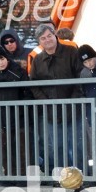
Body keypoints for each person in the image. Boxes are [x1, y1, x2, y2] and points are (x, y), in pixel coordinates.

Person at [29, 23, 85, 171]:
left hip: (74, 109)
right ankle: (62, 176)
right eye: (43, 38)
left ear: (55, 35)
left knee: (78, 144)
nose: (47, 40)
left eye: (49, 36)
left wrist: (73, 100)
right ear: (39, 42)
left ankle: (83, 175)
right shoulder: (38, 60)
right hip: (51, 112)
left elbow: (81, 76)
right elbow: (34, 85)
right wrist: (46, 103)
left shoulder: (71, 52)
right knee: (56, 146)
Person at [0, 46, 30, 177]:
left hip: (19, 119)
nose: (0, 62)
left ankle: (22, 176)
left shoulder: (18, 72)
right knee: (6, 150)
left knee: (21, 149)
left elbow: (27, 93)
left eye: (2, 58)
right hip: (3, 120)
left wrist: (23, 113)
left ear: (6, 58)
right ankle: (9, 176)